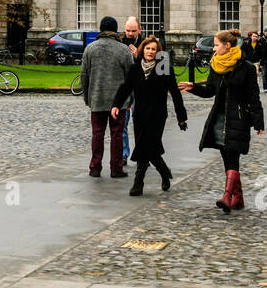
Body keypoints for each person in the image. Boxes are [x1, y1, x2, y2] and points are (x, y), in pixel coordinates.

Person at [179, 30, 264, 212]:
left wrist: (258, 121)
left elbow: (254, 96)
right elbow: (210, 90)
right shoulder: (215, 64)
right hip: (219, 116)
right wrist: (193, 87)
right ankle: (238, 197)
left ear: (228, 46)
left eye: (217, 45)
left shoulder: (246, 67)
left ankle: (227, 196)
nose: (214, 48)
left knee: (232, 153)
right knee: (226, 154)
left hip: (238, 117)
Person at [111, 36, 187, 196]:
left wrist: (181, 116)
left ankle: (138, 183)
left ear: (158, 52)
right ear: (142, 50)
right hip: (139, 115)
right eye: (148, 48)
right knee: (149, 148)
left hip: (157, 115)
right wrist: (116, 105)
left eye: (154, 49)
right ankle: (164, 172)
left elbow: (175, 93)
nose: (150, 51)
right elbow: (125, 88)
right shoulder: (135, 68)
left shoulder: (164, 67)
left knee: (144, 147)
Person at [80, 16, 135, 178]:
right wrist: (130, 99)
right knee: (117, 134)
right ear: (116, 30)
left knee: (97, 133)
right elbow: (130, 77)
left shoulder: (90, 49)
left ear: (101, 29)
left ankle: (95, 167)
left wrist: (87, 98)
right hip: (118, 100)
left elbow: (84, 76)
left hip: (97, 97)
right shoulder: (123, 50)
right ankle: (116, 167)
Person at [118, 16, 143, 160]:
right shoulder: (120, 43)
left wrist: (137, 57)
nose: (130, 33)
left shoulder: (146, 44)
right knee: (123, 124)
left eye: (133, 30)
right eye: (128, 30)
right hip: (125, 88)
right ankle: (124, 154)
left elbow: (153, 68)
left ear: (140, 29)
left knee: (140, 124)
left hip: (140, 90)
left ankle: (141, 154)